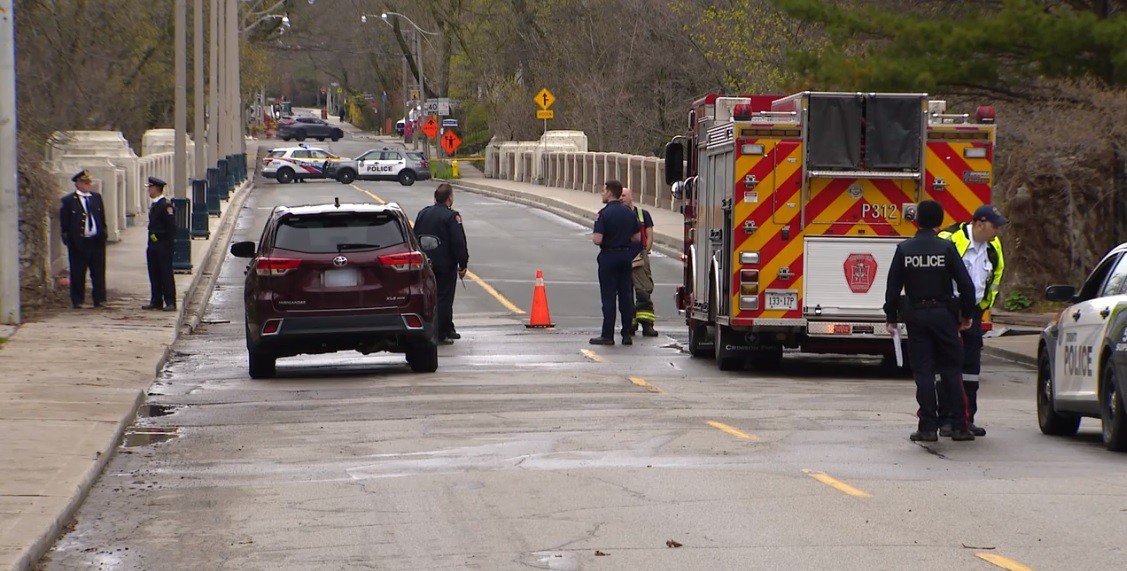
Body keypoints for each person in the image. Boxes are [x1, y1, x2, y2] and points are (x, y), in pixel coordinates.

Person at [883, 199, 978, 443]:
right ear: (939, 222)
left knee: (923, 372)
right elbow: (966, 285)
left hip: (916, 316)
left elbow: (893, 286)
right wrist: (967, 315)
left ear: (917, 220)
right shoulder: (946, 248)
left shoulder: (904, 249)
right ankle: (959, 426)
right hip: (944, 316)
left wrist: (891, 317)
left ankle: (927, 427)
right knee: (951, 371)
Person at [935, 204, 1007, 438]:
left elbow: (993, 280)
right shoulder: (950, 239)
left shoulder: (993, 247)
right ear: (979, 223)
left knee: (970, 370)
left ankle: (966, 418)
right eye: (994, 226)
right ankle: (945, 418)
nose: (997, 231)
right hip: (948, 311)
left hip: (973, 312)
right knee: (947, 367)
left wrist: (980, 310)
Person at [414, 183, 469, 345]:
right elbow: (458, 242)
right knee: (444, 297)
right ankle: (441, 332)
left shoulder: (423, 213)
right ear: (450, 199)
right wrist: (463, 263)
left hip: (425, 263)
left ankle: (444, 327)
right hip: (445, 264)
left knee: (429, 297)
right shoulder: (452, 217)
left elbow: (415, 236)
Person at [590, 180, 641, 346]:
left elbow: (598, 240)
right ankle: (627, 333)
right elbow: (637, 238)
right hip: (625, 256)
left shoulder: (604, 214)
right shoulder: (629, 213)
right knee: (626, 296)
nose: (602, 194)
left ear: (610, 192)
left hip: (609, 257)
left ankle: (608, 335)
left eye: (604, 191)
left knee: (609, 297)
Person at [59, 170, 108, 309]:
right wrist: (69, 240)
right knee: (78, 272)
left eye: (89, 182)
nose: (88, 185)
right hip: (79, 242)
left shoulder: (96, 198)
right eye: (85, 183)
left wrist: (103, 234)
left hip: (96, 240)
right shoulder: (68, 201)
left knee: (98, 272)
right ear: (78, 184)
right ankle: (77, 299)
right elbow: (65, 223)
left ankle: (99, 299)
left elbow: (101, 218)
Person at [621, 188, 657, 337]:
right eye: (620, 195)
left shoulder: (642, 214)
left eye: (624, 195)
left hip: (639, 258)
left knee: (643, 292)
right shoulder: (618, 214)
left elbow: (649, 235)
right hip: (623, 257)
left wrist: (644, 251)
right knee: (626, 293)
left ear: (631, 197)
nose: (622, 198)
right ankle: (630, 324)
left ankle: (647, 324)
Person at [142, 177, 177, 311]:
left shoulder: (165, 205)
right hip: (153, 246)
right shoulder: (155, 204)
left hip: (163, 246)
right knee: (154, 273)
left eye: (150, 188)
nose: (148, 190)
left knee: (165, 274)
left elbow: (171, 228)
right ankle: (156, 300)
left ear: (156, 189)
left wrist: (156, 237)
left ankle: (170, 301)